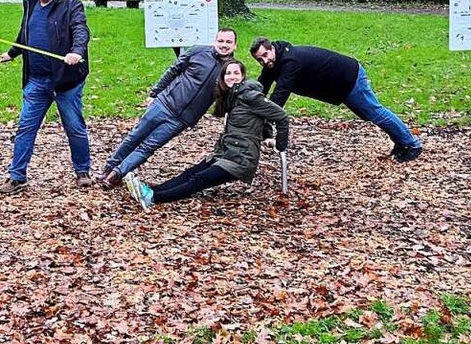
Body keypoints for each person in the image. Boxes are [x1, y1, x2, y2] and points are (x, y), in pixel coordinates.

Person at [124, 59, 289, 210]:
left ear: (243, 76)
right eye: (228, 73)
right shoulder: (231, 96)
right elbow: (261, 116)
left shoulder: (251, 96)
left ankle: (153, 198)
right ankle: (150, 189)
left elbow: (280, 116)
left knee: (199, 180)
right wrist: (266, 134)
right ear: (223, 77)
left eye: (236, 73)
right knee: (190, 173)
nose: (232, 77)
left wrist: (279, 144)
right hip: (225, 152)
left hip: (241, 158)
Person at [97, 28, 238, 188]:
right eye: (221, 41)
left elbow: (231, 95)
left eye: (228, 42)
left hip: (183, 118)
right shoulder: (198, 51)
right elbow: (174, 70)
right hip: (164, 103)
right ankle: (108, 168)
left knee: (149, 146)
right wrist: (154, 93)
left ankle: (116, 174)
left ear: (235, 46)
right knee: (135, 136)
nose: (224, 45)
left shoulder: (231, 69)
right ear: (215, 40)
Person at [0, 0, 91, 194]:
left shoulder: (71, 4)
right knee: (25, 128)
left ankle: (82, 171)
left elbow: (81, 29)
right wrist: (12, 53)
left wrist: (77, 51)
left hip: (65, 81)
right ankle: (17, 176)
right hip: (37, 81)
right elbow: (25, 34)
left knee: (74, 127)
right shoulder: (31, 6)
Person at [249, 37, 422, 162]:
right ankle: (401, 142)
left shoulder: (289, 61)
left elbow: (280, 95)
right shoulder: (274, 63)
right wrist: (247, 102)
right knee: (372, 115)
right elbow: (261, 86)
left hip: (349, 78)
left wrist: (265, 117)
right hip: (339, 85)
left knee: (375, 112)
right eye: (260, 59)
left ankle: (412, 144)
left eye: (266, 55)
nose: (264, 61)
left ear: (272, 48)